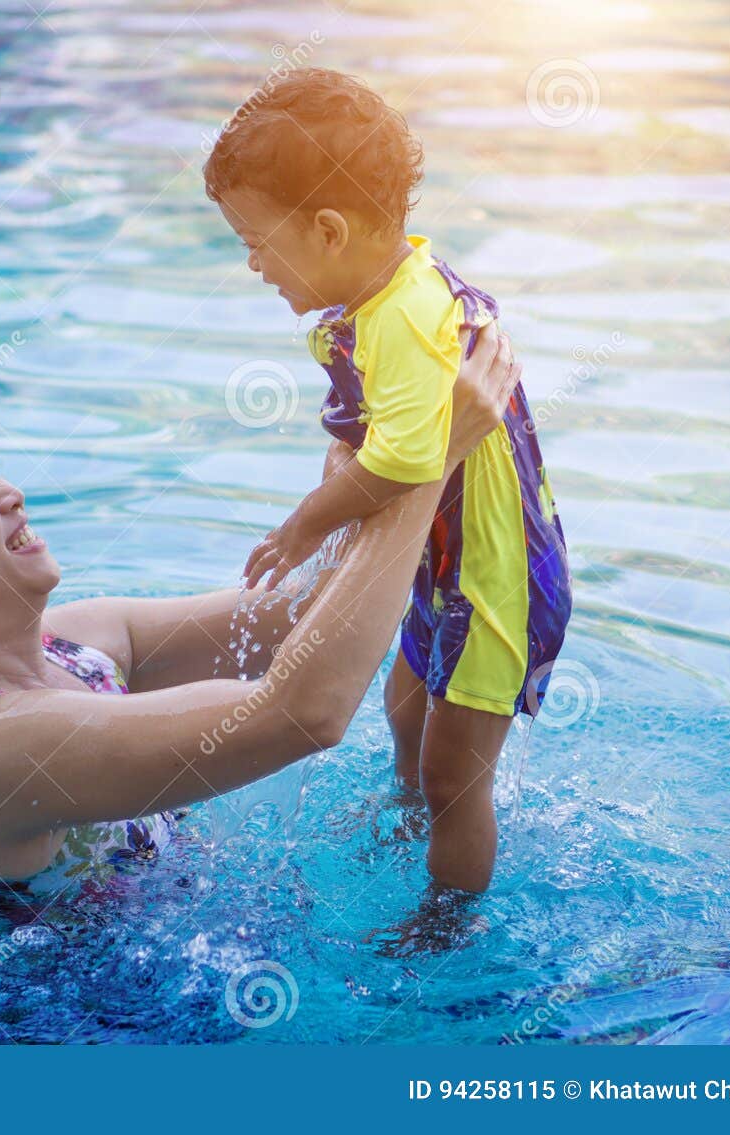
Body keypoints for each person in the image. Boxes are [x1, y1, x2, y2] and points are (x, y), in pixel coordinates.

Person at [0, 328, 519, 890]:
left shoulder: (77, 641)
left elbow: (303, 618)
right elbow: (301, 711)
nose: (11, 493)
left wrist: (372, 472)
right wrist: (433, 456)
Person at [203, 68, 572, 891]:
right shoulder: (387, 295)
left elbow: (406, 460)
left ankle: (447, 920)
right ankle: (409, 811)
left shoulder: (405, 314)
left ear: (328, 230)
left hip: (494, 584)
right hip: (447, 566)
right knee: (406, 706)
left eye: (255, 240)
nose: (255, 263)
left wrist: (307, 521)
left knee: (456, 776)